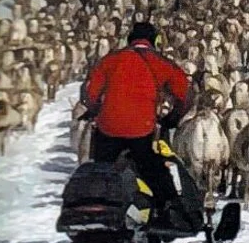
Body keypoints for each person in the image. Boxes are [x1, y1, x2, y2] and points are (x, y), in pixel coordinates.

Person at [81, 20, 198, 231]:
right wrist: (173, 118)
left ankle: (95, 210)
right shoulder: (159, 62)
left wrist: (96, 110)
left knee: (102, 169)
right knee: (153, 168)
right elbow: (186, 93)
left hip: (107, 128)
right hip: (140, 129)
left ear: (130, 40)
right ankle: (166, 212)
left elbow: (89, 93)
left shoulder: (110, 59)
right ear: (154, 41)